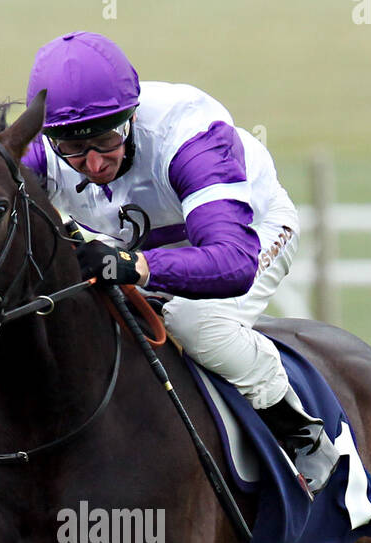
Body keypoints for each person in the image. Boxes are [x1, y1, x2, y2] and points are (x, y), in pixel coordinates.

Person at [21, 31, 339, 496]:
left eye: (105, 141)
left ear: (129, 119)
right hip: (137, 240)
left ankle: (300, 433)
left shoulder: (189, 136)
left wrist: (140, 267)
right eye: (71, 148)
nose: (91, 163)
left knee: (193, 320)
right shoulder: (46, 148)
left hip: (250, 235)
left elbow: (232, 264)